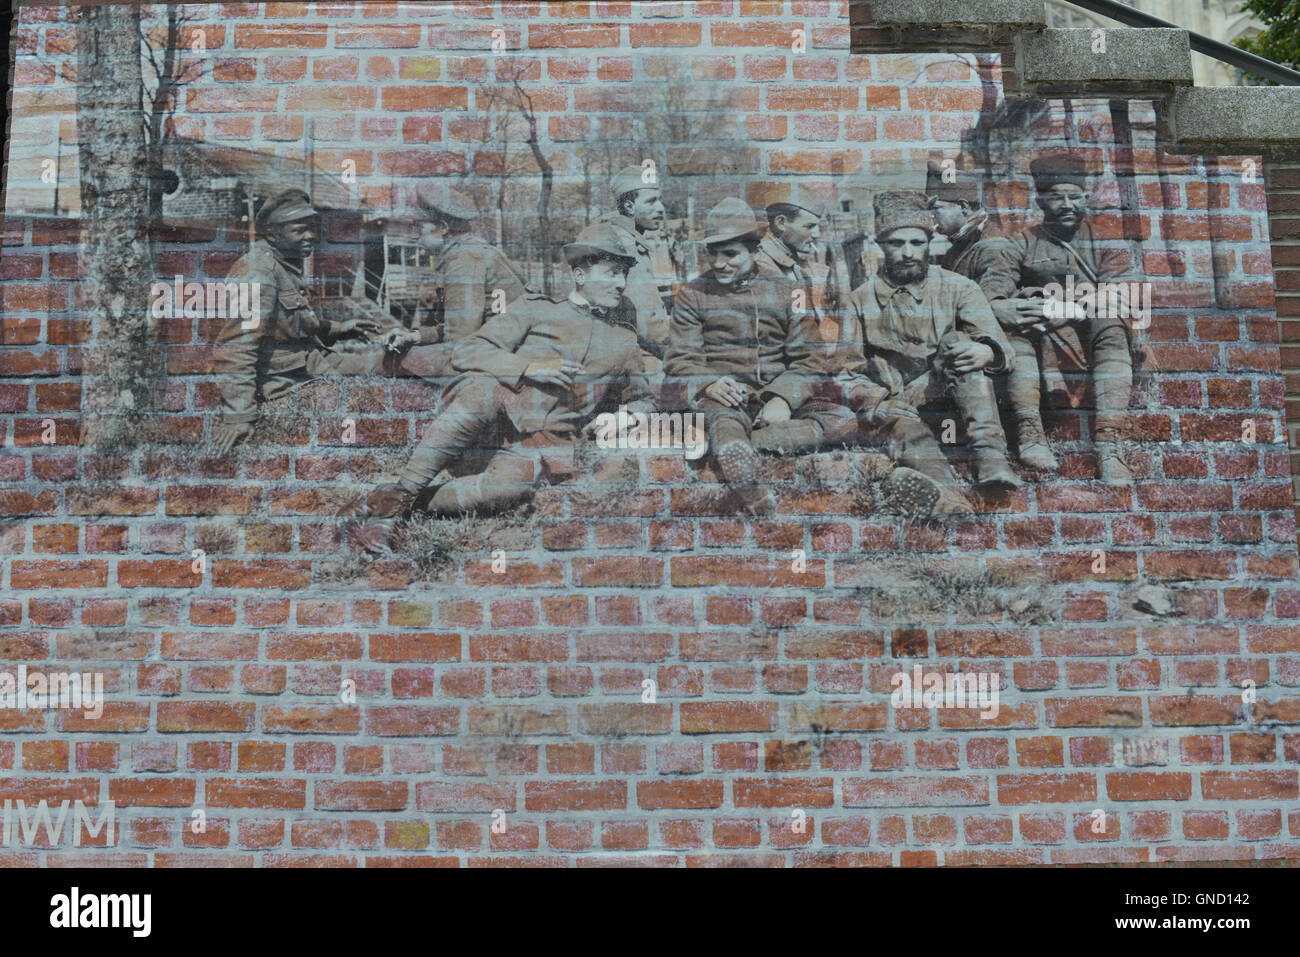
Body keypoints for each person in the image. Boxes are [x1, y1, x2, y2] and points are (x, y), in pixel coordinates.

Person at [349, 223, 654, 552]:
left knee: (508, 490)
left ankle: (392, 501)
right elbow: (468, 350)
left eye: (623, 275)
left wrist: (626, 417)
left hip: (544, 439)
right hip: (492, 419)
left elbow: (643, 398)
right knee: (483, 392)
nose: (621, 283)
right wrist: (527, 368)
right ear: (580, 275)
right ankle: (387, 517)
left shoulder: (624, 340)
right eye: (611, 273)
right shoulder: (536, 309)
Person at [833, 190, 1021, 514]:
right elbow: (846, 374)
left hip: (958, 400)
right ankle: (949, 500)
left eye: (916, 243)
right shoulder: (859, 301)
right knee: (910, 433)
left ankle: (990, 460)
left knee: (959, 344)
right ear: (880, 245)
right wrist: (879, 402)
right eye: (896, 243)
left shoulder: (959, 287)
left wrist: (986, 352)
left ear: (929, 243)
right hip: (900, 410)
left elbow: (1002, 346)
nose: (908, 253)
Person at [665, 198, 855, 516]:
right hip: (724, 399)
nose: (720, 263)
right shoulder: (693, 294)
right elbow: (680, 358)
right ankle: (749, 483)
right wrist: (710, 383)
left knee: (844, 421)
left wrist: (783, 399)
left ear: (754, 251)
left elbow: (809, 357)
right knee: (723, 423)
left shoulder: (790, 291)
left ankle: (742, 444)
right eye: (713, 254)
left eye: (730, 254)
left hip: (774, 396)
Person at [972, 151, 1137, 482]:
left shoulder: (1108, 243)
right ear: (1040, 201)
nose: (1067, 205)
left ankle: (1109, 444)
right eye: (1056, 197)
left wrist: (1063, 308)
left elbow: (1123, 296)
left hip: (1091, 333)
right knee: (1014, 327)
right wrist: (1005, 307)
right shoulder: (1021, 243)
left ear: (1085, 198)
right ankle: (1030, 432)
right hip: (1040, 334)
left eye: (1074, 197)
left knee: (1111, 322)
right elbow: (992, 294)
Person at [213, 188, 379, 453]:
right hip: (285, 378)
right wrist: (239, 415)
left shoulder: (282, 264)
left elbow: (293, 324)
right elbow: (237, 346)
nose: (311, 236)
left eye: (312, 228)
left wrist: (341, 328)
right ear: (273, 234)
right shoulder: (259, 272)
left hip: (309, 362)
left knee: (386, 365)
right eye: (300, 230)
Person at [387, 183, 529, 348]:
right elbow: (458, 327)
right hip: (501, 348)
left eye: (419, 227)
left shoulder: (464, 260)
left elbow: (458, 343)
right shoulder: (469, 252)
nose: (414, 236)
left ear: (443, 228)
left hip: (501, 354)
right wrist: (416, 336)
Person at [595, 165, 674, 361]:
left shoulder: (621, 237)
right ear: (629, 206)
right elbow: (648, 324)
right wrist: (681, 354)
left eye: (660, 200)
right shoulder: (626, 246)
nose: (661, 208)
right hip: (630, 356)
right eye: (651, 201)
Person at [754, 184, 843, 340]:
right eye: (809, 226)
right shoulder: (761, 267)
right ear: (781, 223)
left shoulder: (792, 263)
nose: (816, 234)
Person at [925, 159, 995, 280]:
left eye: (935, 209)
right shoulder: (957, 247)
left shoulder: (990, 242)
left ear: (963, 207)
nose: (931, 216)